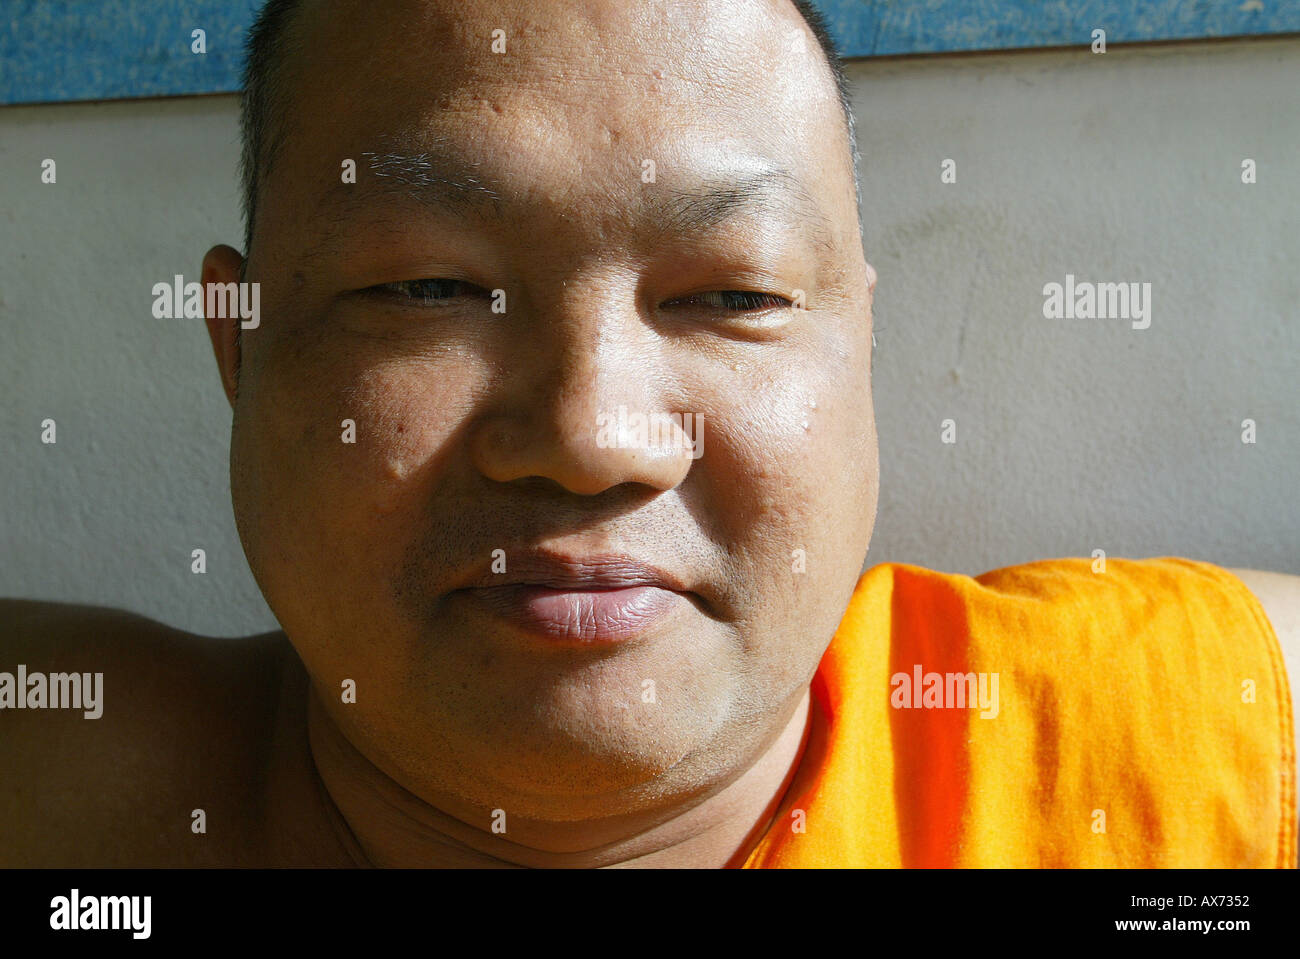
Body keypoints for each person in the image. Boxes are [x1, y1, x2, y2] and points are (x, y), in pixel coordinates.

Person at [2, 0, 1296, 868]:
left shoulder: (1168, 763)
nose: (589, 438)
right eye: (428, 289)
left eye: (732, 295)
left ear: (859, 345)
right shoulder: (69, 794)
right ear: (241, 346)